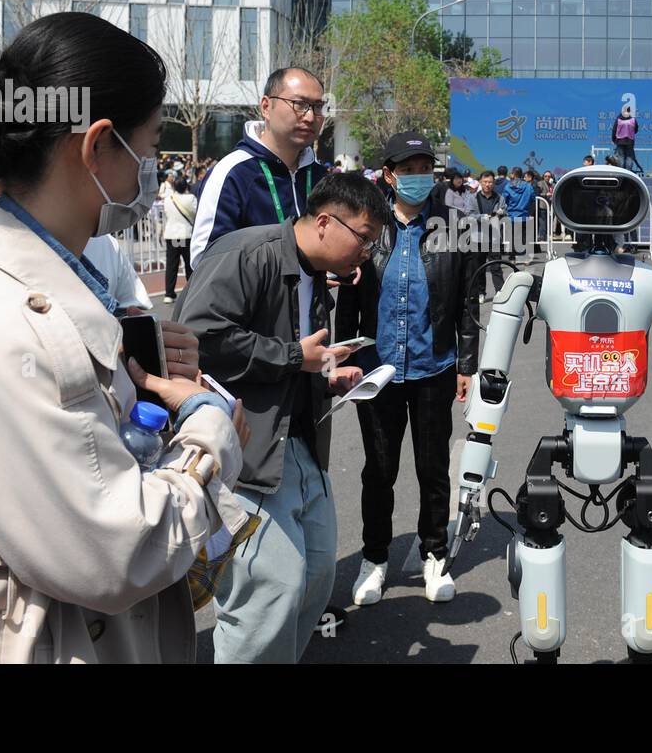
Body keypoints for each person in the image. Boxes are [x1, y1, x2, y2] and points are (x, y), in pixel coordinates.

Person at [0, 12, 252, 663]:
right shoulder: (5, 322)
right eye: (152, 142)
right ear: (98, 145)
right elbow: (112, 552)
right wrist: (209, 435)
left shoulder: (36, 277)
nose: (151, 169)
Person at [176, 172, 389, 664]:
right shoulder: (245, 253)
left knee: (315, 578)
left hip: (299, 443)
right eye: (363, 238)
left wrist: (331, 370)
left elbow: (304, 354)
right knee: (267, 594)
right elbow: (194, 339)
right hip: (249, 448)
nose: (367, 252)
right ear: (323, 222)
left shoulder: (317, 274)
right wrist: (296, 357)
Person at [337, 132, 480, 607]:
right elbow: (350, 303)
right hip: (377, 371)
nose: (419, 175)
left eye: (426, 167)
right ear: (390, 174)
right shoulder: (368, 227)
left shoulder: (455, 227)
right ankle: (374, 559)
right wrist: (344, 357)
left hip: (433, 368)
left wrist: (466, 364)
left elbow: (466, 302)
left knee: (433, 468)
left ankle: (434, 554)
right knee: (379, 469)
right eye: (409, 167)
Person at [190, 66, 328, 268]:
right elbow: (206, 260)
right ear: (266, 107)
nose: (310, 116)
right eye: (299, 104)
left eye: (317, 107)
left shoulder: (320, 176)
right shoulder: (232, 173)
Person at [161, 174, 198, 302]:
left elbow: (166, 213)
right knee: (189, 264)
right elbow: (195, 213)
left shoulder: (168, 199)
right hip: (185, 234)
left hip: (172, 235)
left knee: (172, 264)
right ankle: (191, 290)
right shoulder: (191, 198)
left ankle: (169, 293)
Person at [475, 169, 507, 296]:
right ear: (480, 182)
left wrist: (501, 213)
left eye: (490, 182)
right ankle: (481, 292)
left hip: (494, 236)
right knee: (479, 267)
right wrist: (480, 217)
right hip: (477, 236)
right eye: (485, 182)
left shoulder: (500, 198)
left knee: (496, 266)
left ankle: (500, 292)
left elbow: (505, 212)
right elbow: (468, 213)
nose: (488, 184)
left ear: (494, 183)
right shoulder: (473, 198)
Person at [502, 162, 535, 263]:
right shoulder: (528, 186)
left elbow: (504, 199)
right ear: (522, 174)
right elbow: (533, 198)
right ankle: (527, 258)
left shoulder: (508, 186)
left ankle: (512, 258)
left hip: (512, 215)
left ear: (513, 174)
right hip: (524, 214)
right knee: (526, 237)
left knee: (512, 236)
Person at [611, 107, 643, 175]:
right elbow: (636, 129)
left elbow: (614, 130)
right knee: (629, 157)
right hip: (630, 141)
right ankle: (628, 173)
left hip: (619, 141)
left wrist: (614, 139)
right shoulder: (633, 120)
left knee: (621, 157)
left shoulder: (618, 119)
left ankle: (621, 172)